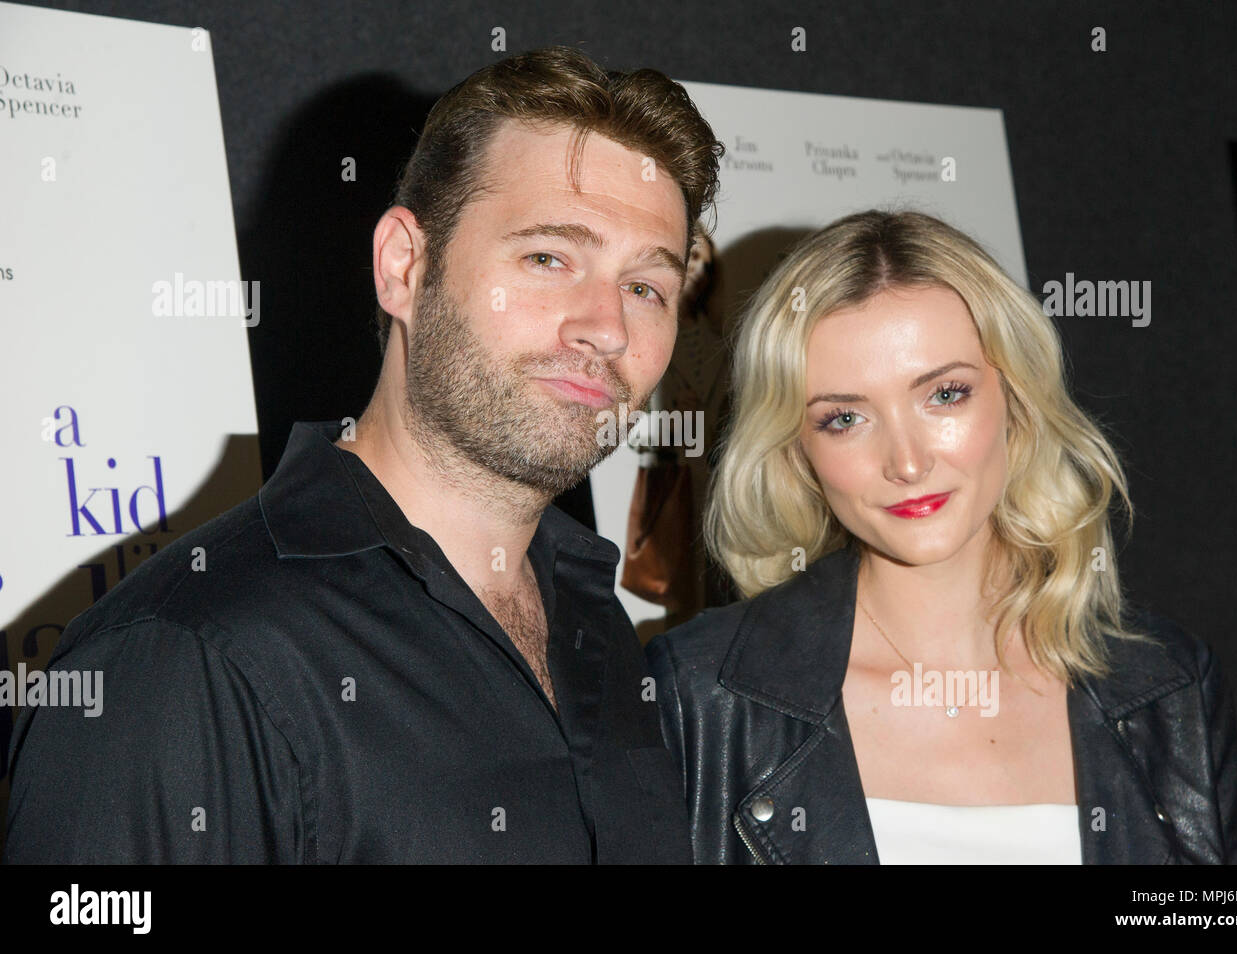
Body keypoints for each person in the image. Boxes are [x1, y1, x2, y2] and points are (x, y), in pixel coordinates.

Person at [4, 45, 724, 863]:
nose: (608, 327)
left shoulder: (599, 626)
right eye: (549, 258)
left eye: (646, 287)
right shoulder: (183, 659)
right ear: (403, 268)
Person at [645, 209, 1237, 864]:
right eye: (845, 417)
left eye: (945, 394)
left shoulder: (1167, 686)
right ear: (798, 451)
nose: (906, 462)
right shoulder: (705, 696)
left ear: (1016, 398)